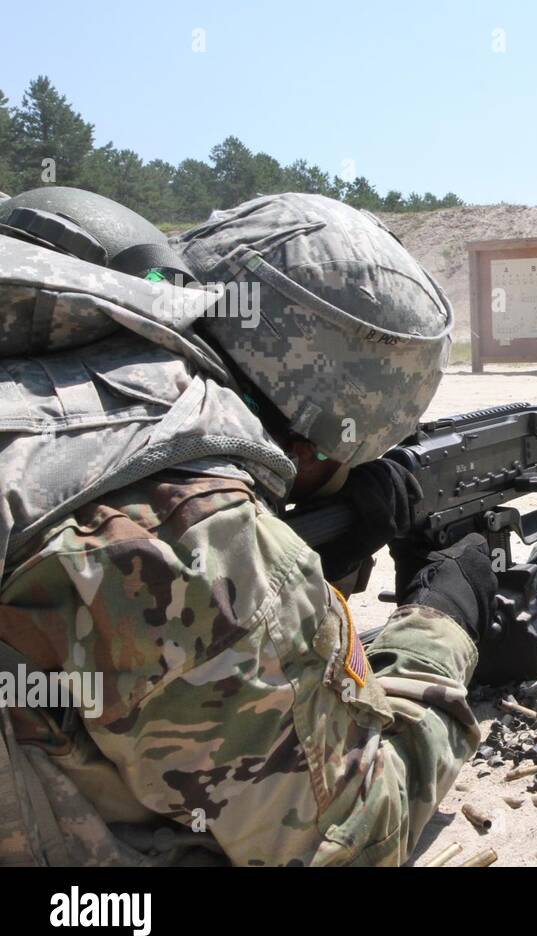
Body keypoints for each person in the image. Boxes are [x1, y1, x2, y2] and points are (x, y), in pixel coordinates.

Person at [0, 188, 495, 866]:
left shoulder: (53, 372)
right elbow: (349, 837)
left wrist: (315, 573)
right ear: (324, 441)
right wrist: (440, 622)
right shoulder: (199, 536)